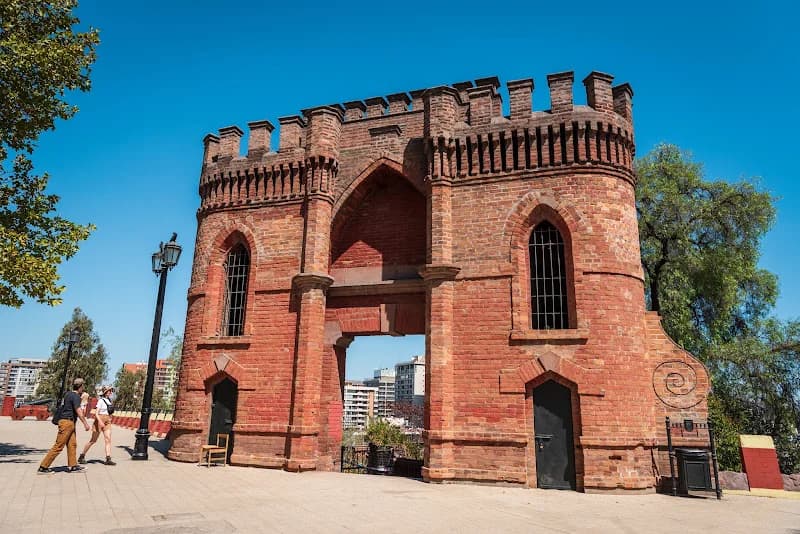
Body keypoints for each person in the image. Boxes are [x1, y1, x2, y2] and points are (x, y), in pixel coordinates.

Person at [38, 378, 91, 474]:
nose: (83, 388)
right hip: (67, 423)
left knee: (72, 444)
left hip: (68, 422)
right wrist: (85, 424)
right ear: (80, 386)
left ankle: (73, 465)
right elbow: (79, 410)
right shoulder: (75, 396)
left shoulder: (68, 394)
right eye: (83, 386)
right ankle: (43, 467)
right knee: (59, 445)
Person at [78, 385, 116, 466]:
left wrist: (110, 418)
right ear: (105, 391)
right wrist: (100, 422)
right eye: (109, 391)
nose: (110, 392)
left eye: (110, 391)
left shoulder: (109, 400)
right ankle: (82, 456)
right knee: (93, 440)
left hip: (107, 421)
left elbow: (109, 411)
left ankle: (108, 458)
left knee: (108, 439)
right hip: (99, 420)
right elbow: (96, 413)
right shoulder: (101, 401)